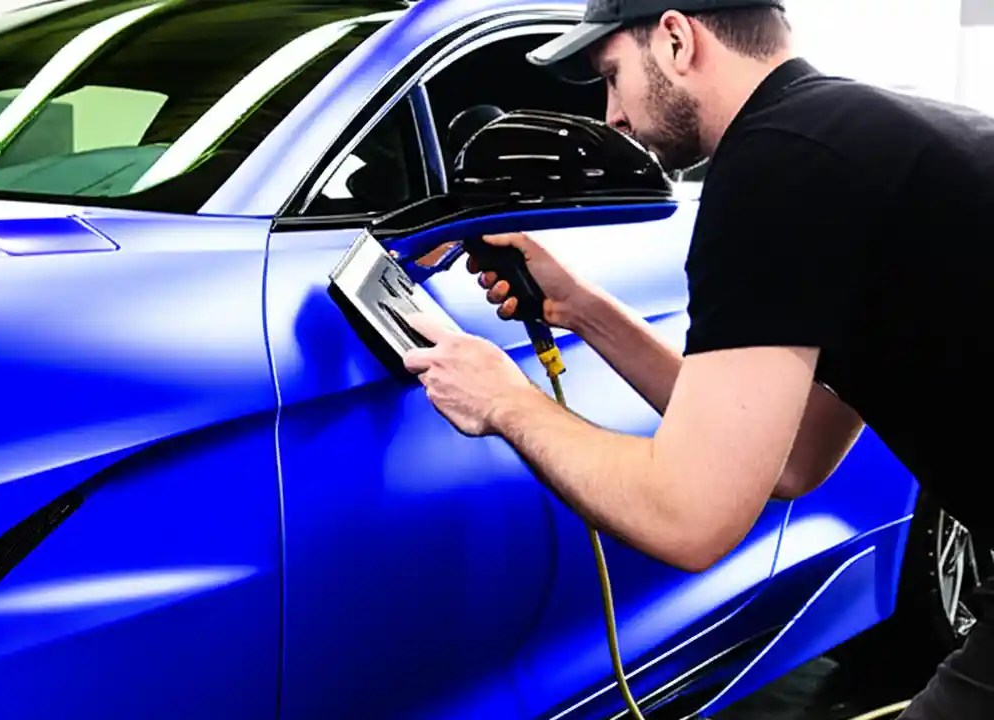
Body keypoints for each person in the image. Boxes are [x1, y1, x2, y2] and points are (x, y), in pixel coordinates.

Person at [399, 0, 994, 717]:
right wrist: (582, 308)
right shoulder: (852, 142)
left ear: (677, 39)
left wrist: (504, 399)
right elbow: (794, 456)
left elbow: (689, 519)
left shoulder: (776, 163)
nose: (612, 115)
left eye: (612, 75)